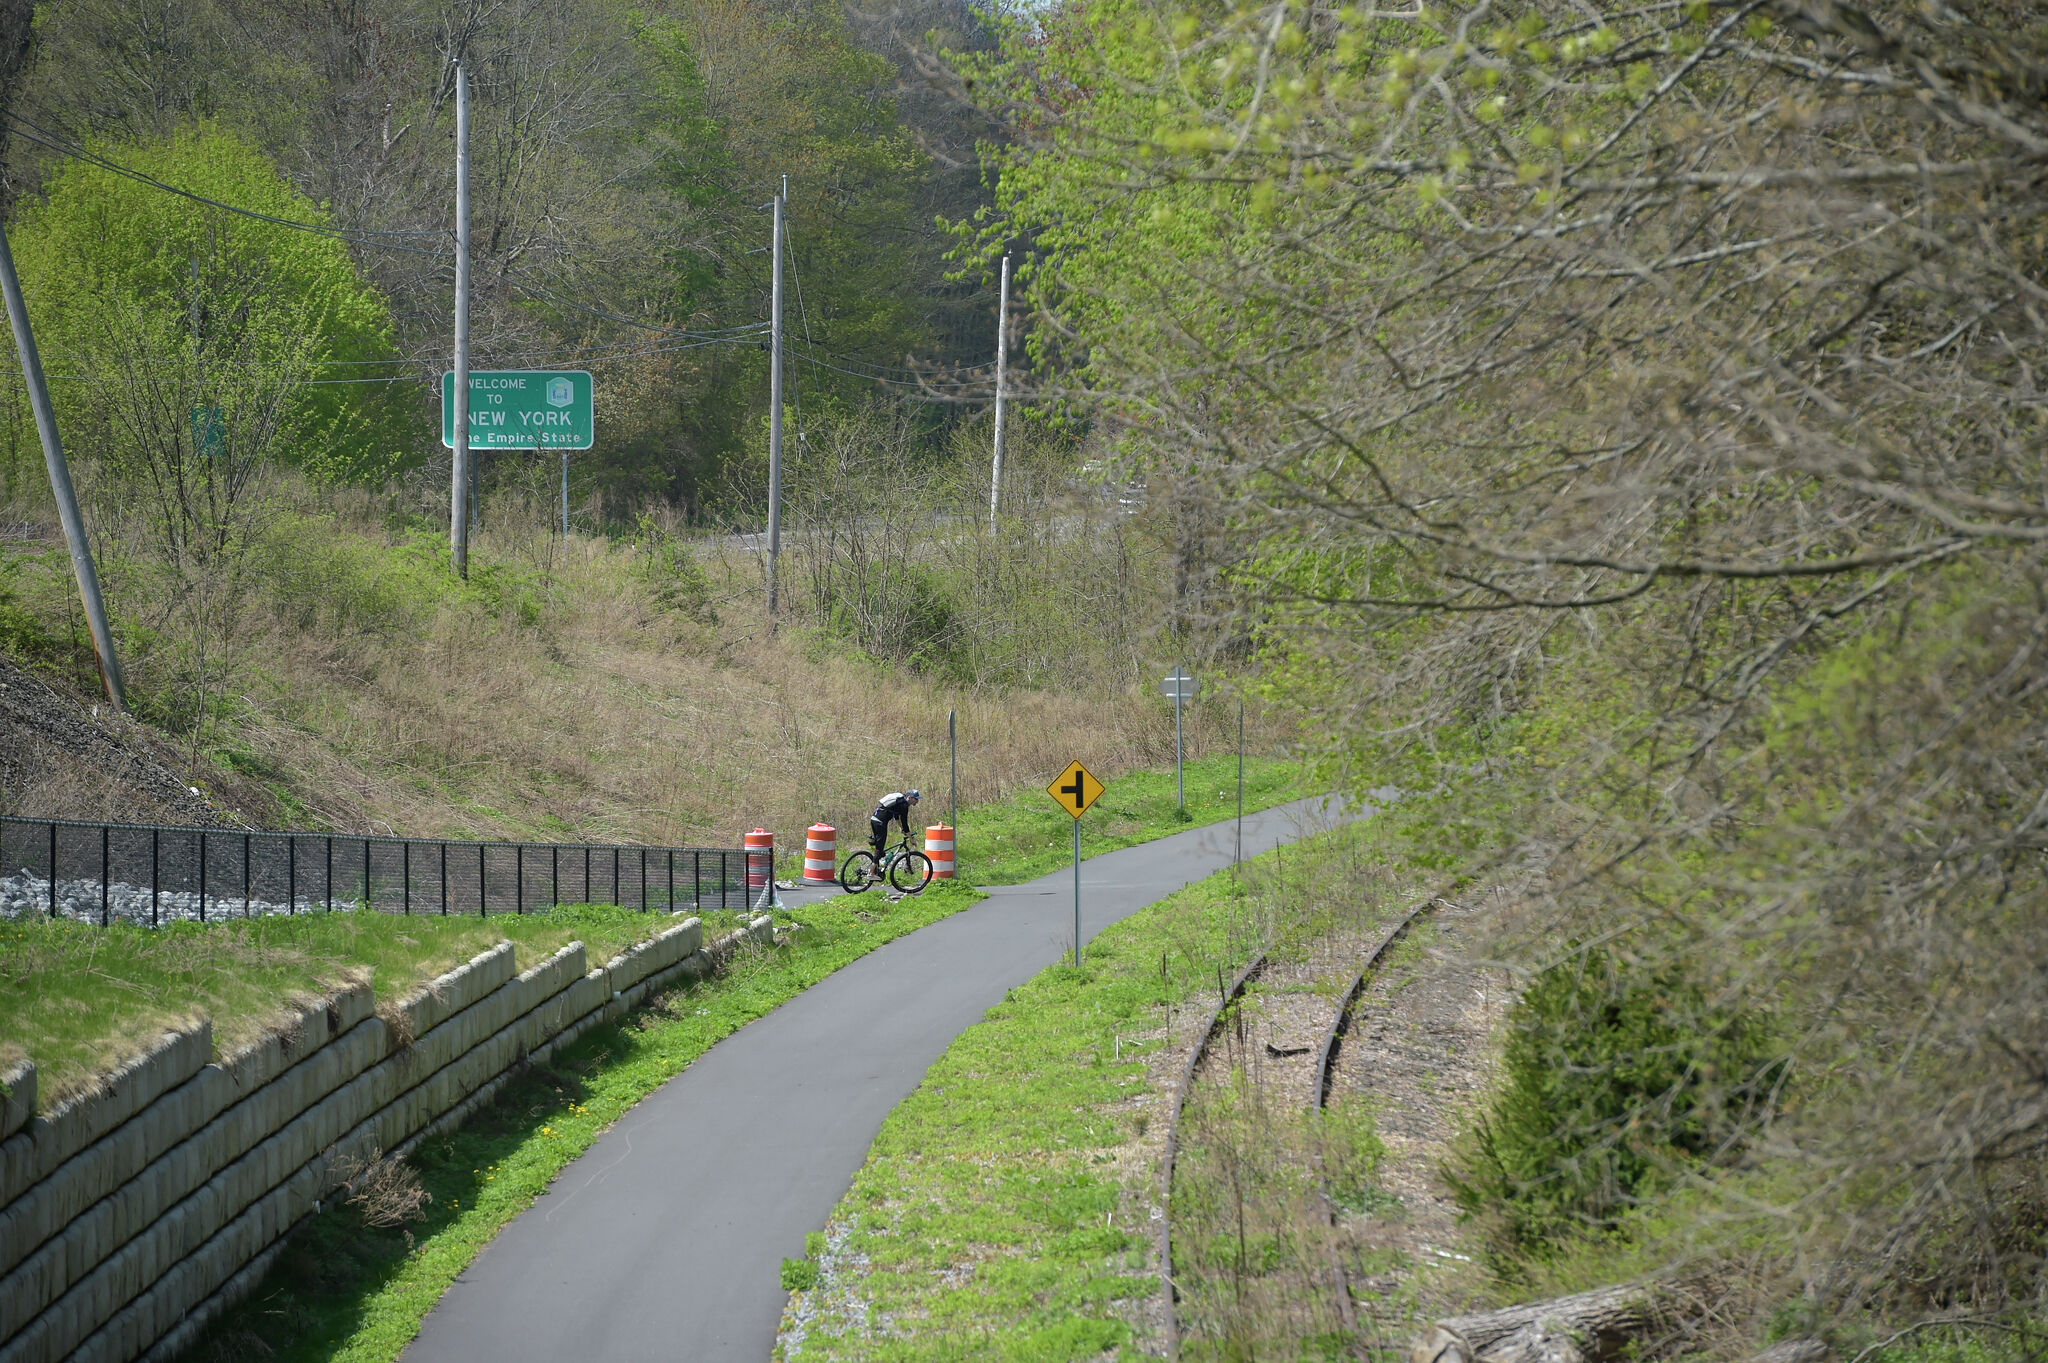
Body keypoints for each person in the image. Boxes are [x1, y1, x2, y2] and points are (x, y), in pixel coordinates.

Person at [870, 788, 920, 856]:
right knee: (879, 850)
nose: (917, 801)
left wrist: (901, 827)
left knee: (880, 851)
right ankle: (873, 865)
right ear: (910, 798)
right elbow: (905, 823)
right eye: (916, 799)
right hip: (880, 823)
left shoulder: (900, 802)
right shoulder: (904, 805)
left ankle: (876, 863)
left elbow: (896, 817)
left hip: (874, 819)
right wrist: (911, 838)